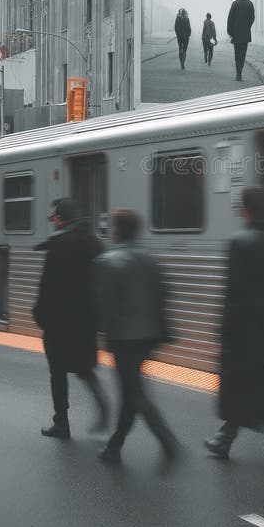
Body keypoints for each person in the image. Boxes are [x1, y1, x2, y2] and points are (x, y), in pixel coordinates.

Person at [204, 187, 264, 470]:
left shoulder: (239, 242)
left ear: (245, 210)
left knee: (248, 383)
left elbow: (233, 292)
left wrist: (222, 330)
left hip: (241, 324)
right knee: (250, 380)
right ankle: (224, 439)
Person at [94, 209, 179, 467]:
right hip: (150, 336)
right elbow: (165, 291)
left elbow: (101, 303)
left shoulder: (108, 261)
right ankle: (115, 445)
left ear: (117, 230)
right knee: (131, 390)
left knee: (134, 392)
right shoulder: (150, 259)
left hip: (124, 337)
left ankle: (167, 441)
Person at [33, 198, 108, 439]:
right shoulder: (94, 243)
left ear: (62, 218)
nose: (53, 221)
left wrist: (41, 316)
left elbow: (48, 287)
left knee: (58, 372)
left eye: (54, 216)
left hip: (59, 323)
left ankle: (62, 423)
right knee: (84, 369)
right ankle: (102, 405)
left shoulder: (59, 245)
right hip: (86, 322)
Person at [227, 0, 255, 81]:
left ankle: (238, 73)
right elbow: (252, 18)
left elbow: (230, 19)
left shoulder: (235, 3)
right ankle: (240, 72)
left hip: (236, 34)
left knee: (237, 54)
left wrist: (230, 32)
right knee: (243, 54)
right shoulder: (250, 4)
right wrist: (247, 27)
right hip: (245, 34)